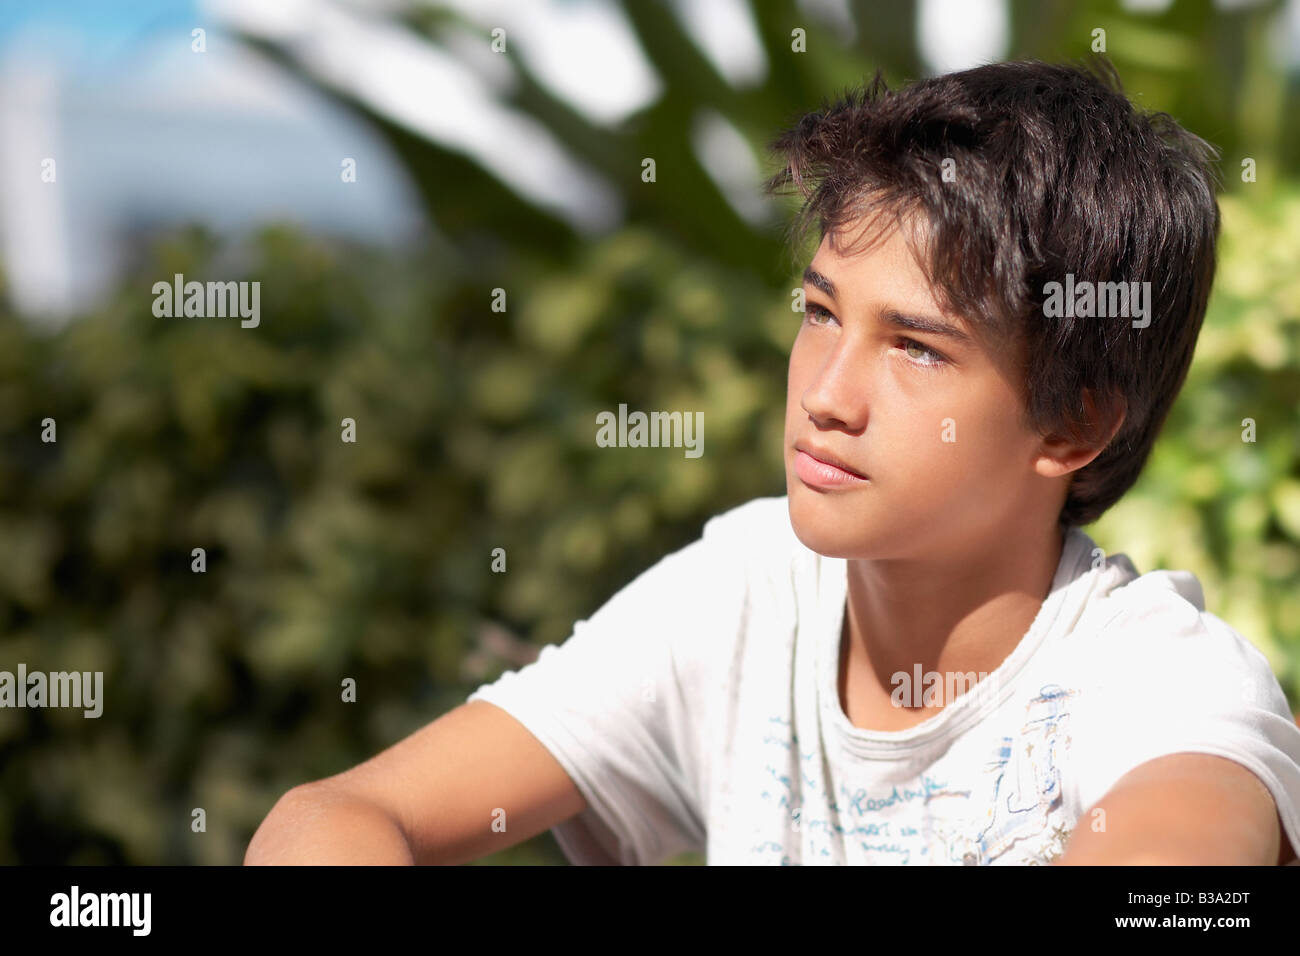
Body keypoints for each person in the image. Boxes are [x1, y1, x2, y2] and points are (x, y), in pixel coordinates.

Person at [245, 57, 1300, 866]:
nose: (827, 394)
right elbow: (332, 815)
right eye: (820, 311)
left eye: (918, 348)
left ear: (1071, 426)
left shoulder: (1159, 676)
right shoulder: (749, 590)